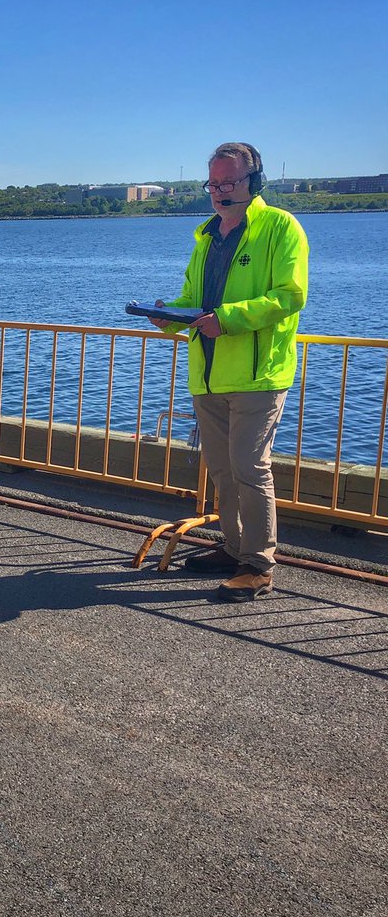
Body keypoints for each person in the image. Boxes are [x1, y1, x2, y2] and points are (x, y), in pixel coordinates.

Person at [150, 142, 308, 601]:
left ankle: (258, 565)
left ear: (253, 182)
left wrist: (230, 319)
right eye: (213, 184)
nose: (219, 192)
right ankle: (234, 548)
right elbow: (192, 298)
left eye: (229, 182)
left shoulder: (280, 227)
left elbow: (290, 295)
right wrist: (169, 315)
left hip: (258, 374)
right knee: (221, 470)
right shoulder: (206, 235)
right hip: (208, 373)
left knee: (249, 468)